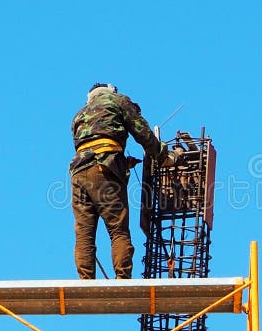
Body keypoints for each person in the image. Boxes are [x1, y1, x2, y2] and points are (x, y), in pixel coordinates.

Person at [69, 83, 180, 279]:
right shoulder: (117, 101)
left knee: (84, 232)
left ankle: (85, 281)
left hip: (79, 172)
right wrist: (163, 156)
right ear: (111, 92)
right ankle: (123, 279)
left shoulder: (79, 115)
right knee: (117, 229)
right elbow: (141, 131)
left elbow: (92, 145)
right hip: (104, 168)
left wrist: (121, 163)